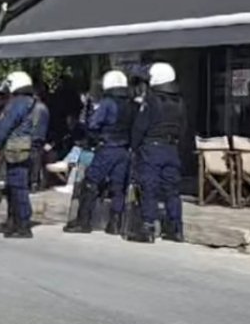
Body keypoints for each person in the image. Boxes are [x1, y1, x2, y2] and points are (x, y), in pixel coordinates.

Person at [65, 70, 134, 235]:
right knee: (118, 187)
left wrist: (93, 137)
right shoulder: (131, 104)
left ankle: (83, 221)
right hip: (124, 149)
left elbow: (94, 124)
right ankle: (115, 224)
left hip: (107, 147)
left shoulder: (108, 103)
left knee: (91, 182)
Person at [130, 62, 186, 243]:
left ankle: (147, 227)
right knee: (172, 190)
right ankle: (175, 228)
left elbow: (140, 127)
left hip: (152, 149)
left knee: (150, 188)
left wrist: (134, 146)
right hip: (172, 149)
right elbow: (184, 128)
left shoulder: (152, 102)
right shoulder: (179, 102)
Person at [0, 71, 46, 239]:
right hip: (33, 151)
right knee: (20, 186)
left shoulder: (17, 104)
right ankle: (15, 221)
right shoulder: (39, 105)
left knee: (17, 187)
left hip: (16, 151)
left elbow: (3, 127)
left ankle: (22, 224)